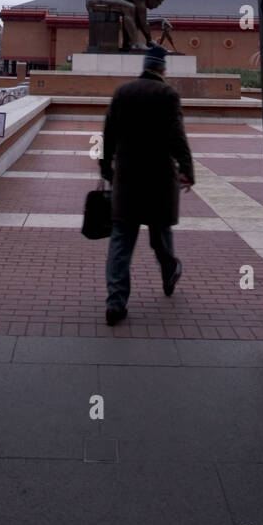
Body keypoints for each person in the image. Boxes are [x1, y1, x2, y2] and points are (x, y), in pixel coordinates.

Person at [99, 43, 195, 325]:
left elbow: (109, 133)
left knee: (121, 244)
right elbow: (177, 136)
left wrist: (107, 168)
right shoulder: (167, 94)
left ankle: (115, 303)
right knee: (161, 238)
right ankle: (169, 271)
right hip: (159, 179)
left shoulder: (123, 92)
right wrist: (187, 169)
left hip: (127, 178)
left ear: (144, 66)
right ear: (162, 68)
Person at [85, 0, 164, 51]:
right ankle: (135, 44)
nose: (157, 6)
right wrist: (150, 41)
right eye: (158, 3)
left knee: (130, 10)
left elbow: (139, 21)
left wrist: (160, 20)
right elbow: (143, 23)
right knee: (129, 8)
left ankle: (128, 44)